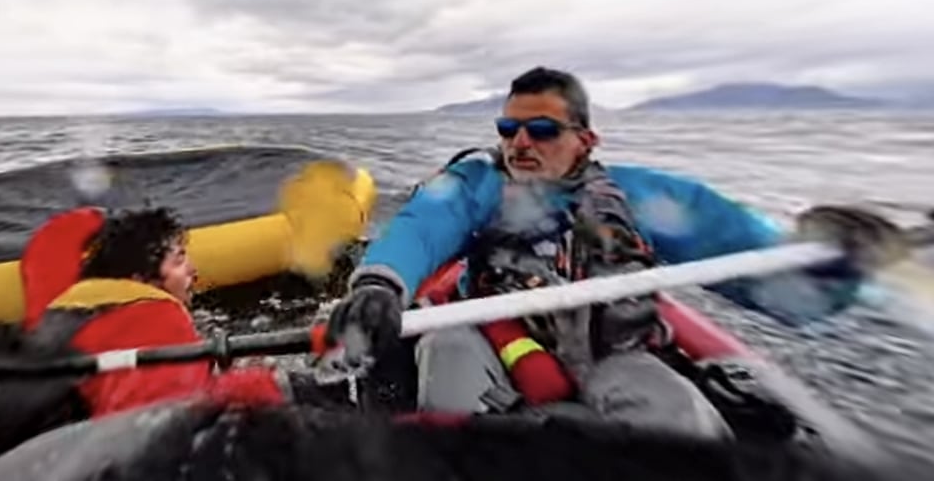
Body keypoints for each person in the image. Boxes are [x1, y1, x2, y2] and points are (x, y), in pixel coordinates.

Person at [323, 66, 907, 437]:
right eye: (509, 129)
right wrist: (379, 283)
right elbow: (424, 226)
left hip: (612, 351)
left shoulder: (644, 196)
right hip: (491, 337)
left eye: (543, 130)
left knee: (681, 422)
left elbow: (755, 259)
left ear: (585, 139)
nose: (520, 143)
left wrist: (828, 261)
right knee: (445, 370)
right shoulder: (477, 185)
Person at [26, 206, 294, 418]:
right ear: (141, 279)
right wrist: (258, 384)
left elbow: (49, 247)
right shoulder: (153, 317)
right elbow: (163, 419)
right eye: (178, 261)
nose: (193, 271)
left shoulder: (57, 313)